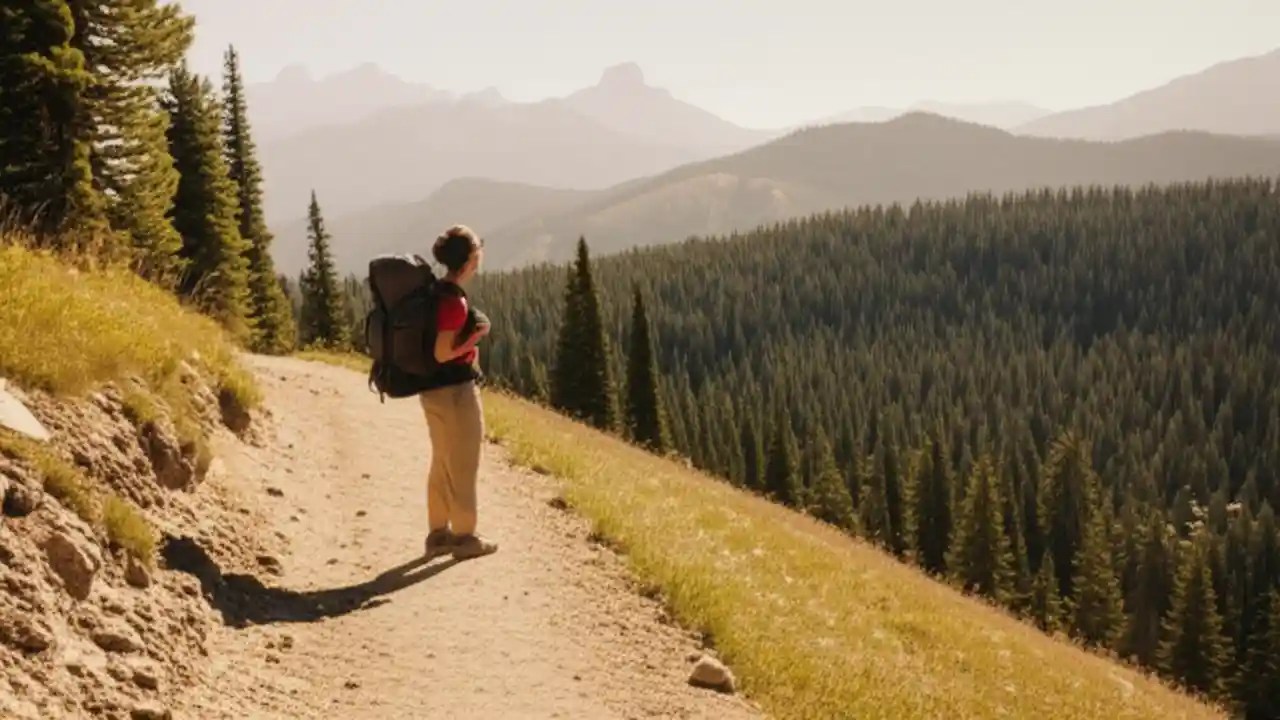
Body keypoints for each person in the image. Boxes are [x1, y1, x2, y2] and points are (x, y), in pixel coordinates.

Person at [420, 224, 498, 561]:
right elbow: (442, 352)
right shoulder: (453, 302)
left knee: (441, 460)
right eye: (477, 249)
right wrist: (472, 341)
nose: (480, 254)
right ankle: (465, 538)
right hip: (455, 392)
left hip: (433, 392)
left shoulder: (436, 291)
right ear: (468, 260)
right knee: (464, 464)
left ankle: (438, 534)